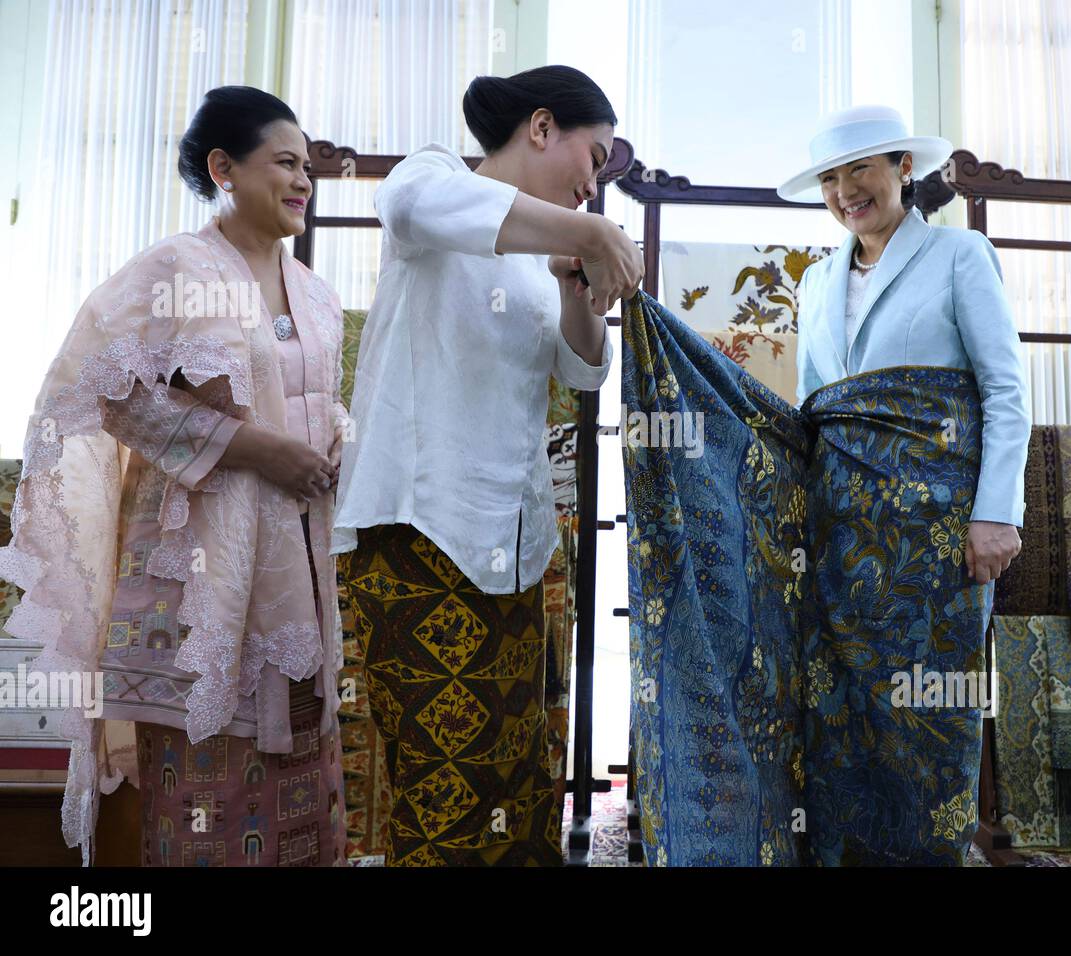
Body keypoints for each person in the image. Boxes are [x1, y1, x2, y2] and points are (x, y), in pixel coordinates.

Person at [0, 86, 349, 866]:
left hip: (295, 565)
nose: (302, 181)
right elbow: (98, 390)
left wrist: (329, 448)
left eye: (308, 167)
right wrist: (256, 448)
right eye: (283, 163)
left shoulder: (318, 296)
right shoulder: (175, 268)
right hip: (198, 573)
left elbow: (320, 407)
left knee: (303, 799)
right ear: (224, 168)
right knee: (209, 804)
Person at [331, 65, 643, 866]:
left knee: (518, 781)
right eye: (595, 156)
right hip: (418, 535)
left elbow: (582, 373)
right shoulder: (434, 180)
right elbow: (408, 205)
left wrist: (576, 292)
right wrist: (584, 235)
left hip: (510, 550)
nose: (595, 182)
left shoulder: (543, 248)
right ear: (541, 128)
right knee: (447, 790)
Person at [779, 103, 1032, 865]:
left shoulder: (961, 255)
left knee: (931, 708)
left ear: (904, 171)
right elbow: (814, 410)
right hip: (840, 532)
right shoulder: (815, 280)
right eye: (830, 176)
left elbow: (1004, 390)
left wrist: (996, 514)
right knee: (841, 707)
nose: (845, 190)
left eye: (861, 168)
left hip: (941, 533)